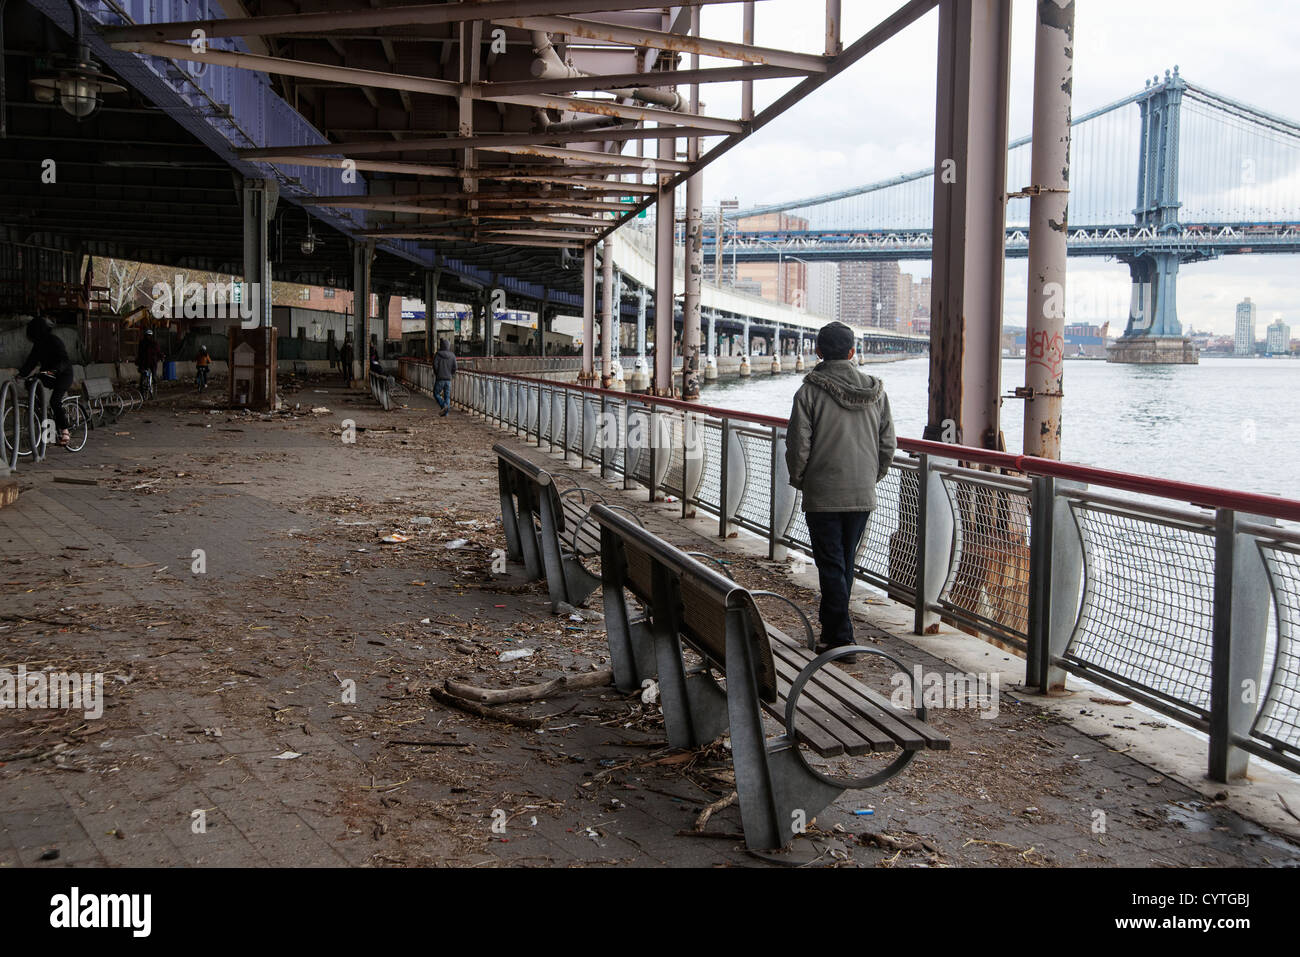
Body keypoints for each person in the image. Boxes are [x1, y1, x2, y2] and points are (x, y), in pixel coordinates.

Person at [785, 321, 897, 652]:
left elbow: (798, 445)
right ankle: (834, 630)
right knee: (845, 563)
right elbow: (887, 444)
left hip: (823, 492)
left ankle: (840, 637)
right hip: (861, 492)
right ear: (852, 352)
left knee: (831, 564)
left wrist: (801, 479)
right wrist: (871, 477)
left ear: (818, 351)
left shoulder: (808, 392)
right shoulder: (876, 392)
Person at [17, 315, 74, 447]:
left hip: (63, 375)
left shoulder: (54, 341)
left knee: (55, 401)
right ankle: (41, 409)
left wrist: (55, 370)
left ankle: (65, 430)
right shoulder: (38, 344)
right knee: (30, 382)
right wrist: (21, 374)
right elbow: (31, 361)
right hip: (47, 374)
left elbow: (64, 360)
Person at [432, 338, 457, 416]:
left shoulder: (437, 354)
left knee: (436, 393)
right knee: (447, 396)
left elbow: (435, 366)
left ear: (441, 346)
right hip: (448, 379)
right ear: (448, 346)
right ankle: (446, 413)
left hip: (440, 378)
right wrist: (451, 374)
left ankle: (443, 406)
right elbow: (455, 367)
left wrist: (438, 373)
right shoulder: (452, 355)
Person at [136, 328, 161, 394]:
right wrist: (161, 357)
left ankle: (151, 380)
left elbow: (139, 352)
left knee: (146, 373)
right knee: (152, 373)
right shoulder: (153, 343)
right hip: (149, 362)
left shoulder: (142, 342)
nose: (148, 337)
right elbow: (158, 352)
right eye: (148, 335)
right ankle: (153, 381)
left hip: (145, 362)